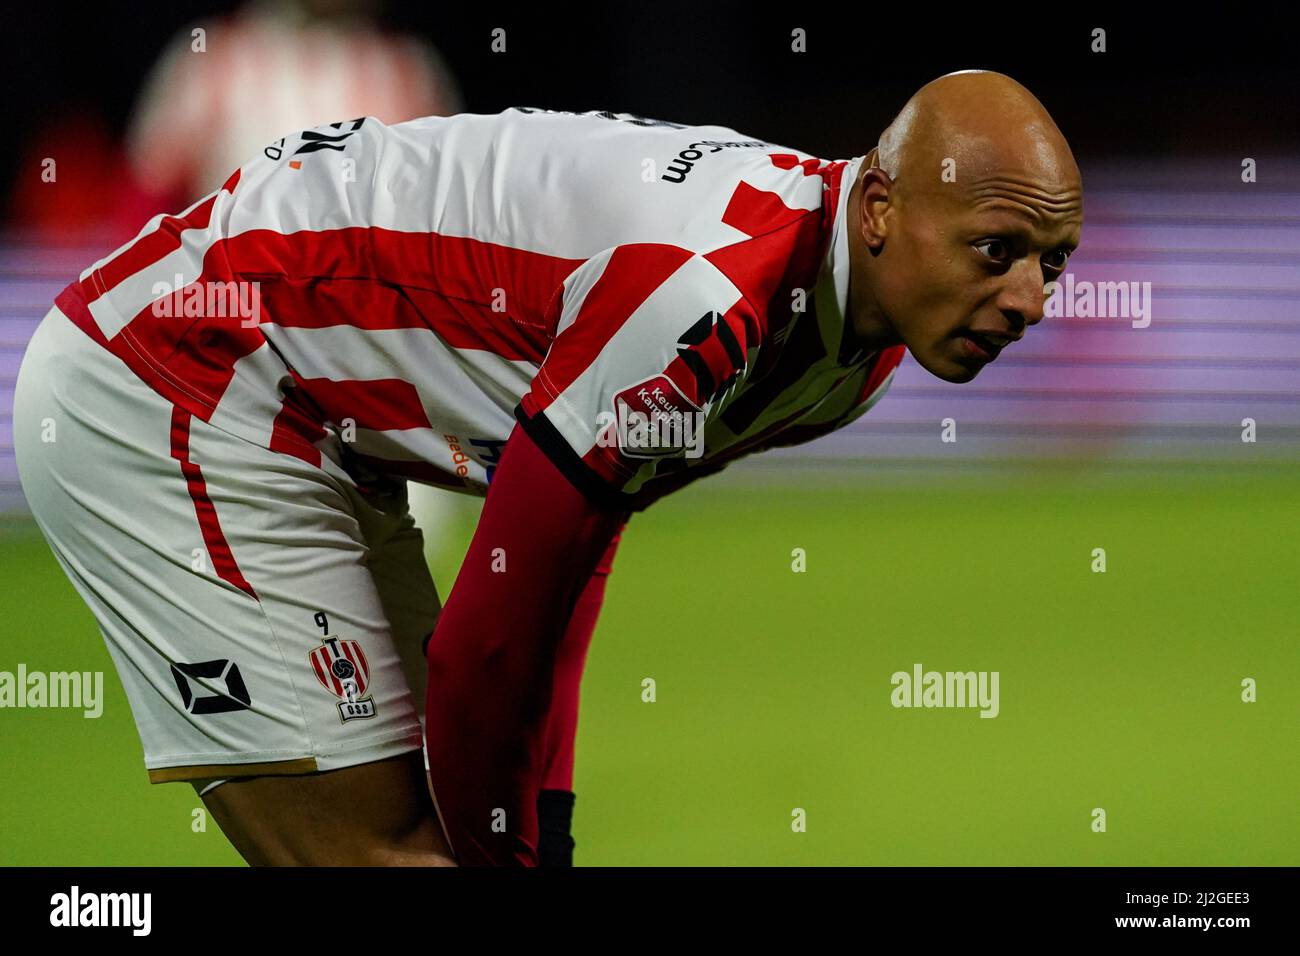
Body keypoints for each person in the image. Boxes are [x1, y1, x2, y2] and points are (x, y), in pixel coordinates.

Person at [13, 70, 1082, 866]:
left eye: (1050, 263)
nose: (1030, 298)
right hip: (173, 369)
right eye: (996, 249)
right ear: (883, 208)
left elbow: (572, 551)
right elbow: (495, 631)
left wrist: (541, 823)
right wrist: (516, 850)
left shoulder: (855, 356)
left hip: (316, 414)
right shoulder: (708, 302)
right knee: (386, 859)